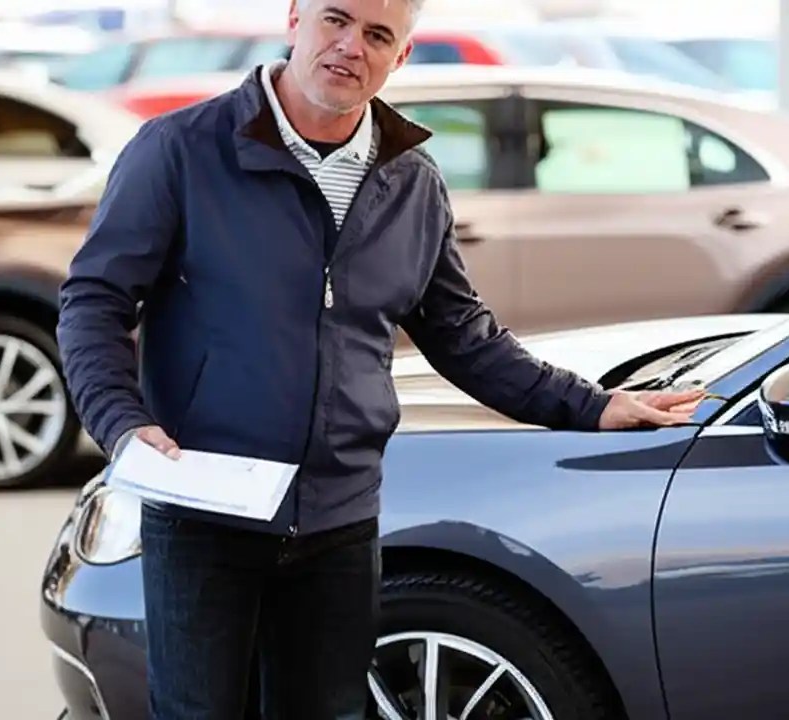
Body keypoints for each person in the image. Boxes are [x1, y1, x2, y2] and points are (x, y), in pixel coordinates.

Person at [55, 0, 705, 717]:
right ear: (295, 18)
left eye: (376, 35)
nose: (349, 47)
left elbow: (464, 336)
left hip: (339, 523)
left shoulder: (413, 182)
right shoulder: (180, 150)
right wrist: (121, 422)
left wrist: (593, 405)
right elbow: (94, 301)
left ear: (400, 57)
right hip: (205, 512)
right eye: (336, 20)